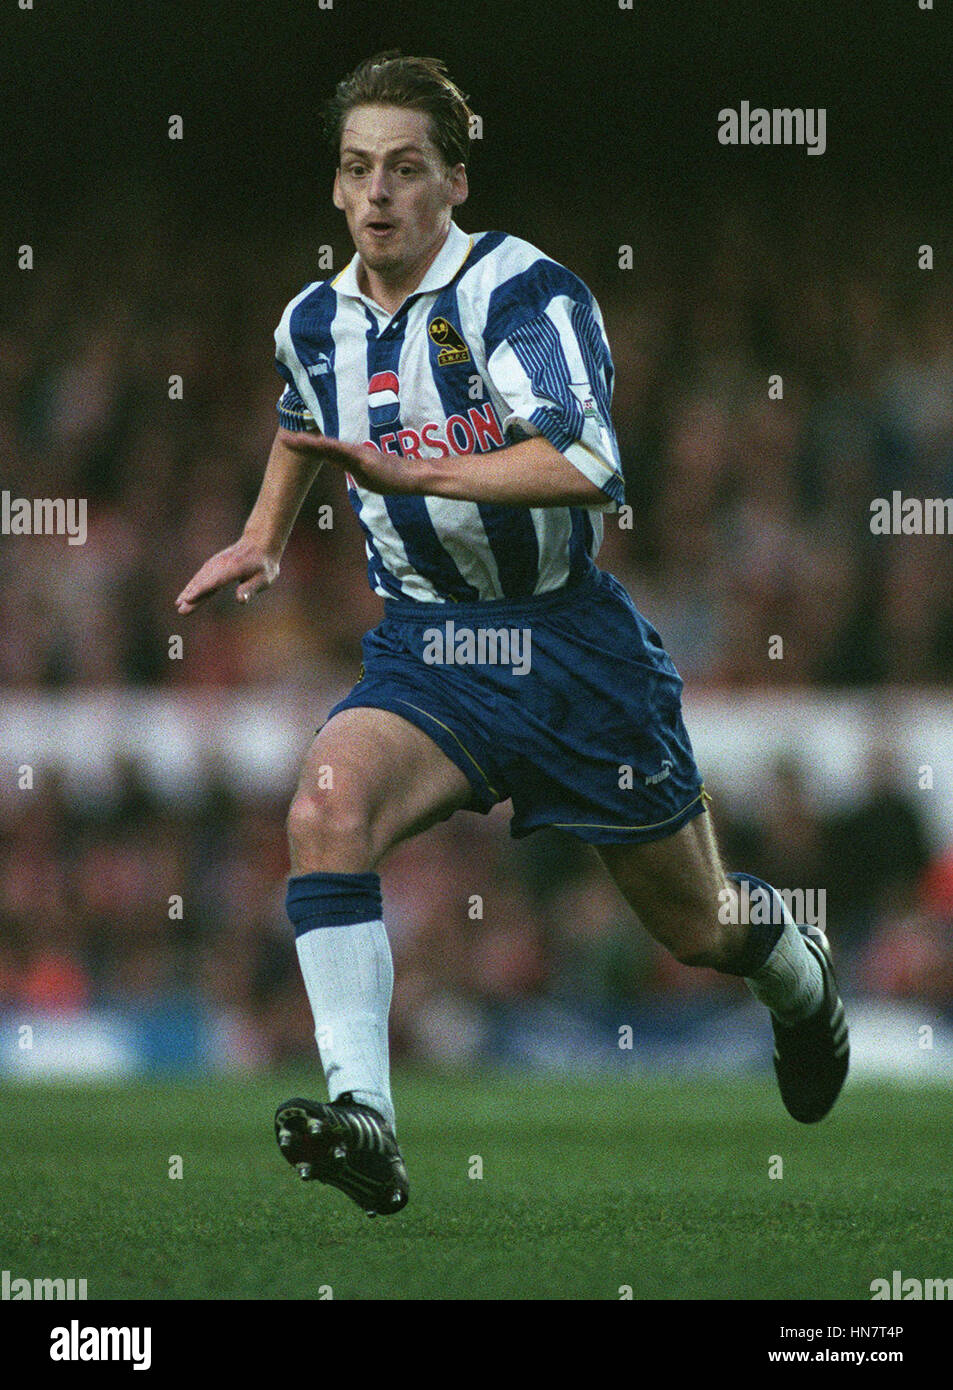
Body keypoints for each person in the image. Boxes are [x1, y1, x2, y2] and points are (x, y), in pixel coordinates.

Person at [175, 52, 849, 1218]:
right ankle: (367, 1120)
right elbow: (302, 422)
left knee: (698, 927)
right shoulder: (312, 320)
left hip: (572, 650)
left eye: (403, 168)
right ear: (336, 190)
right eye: (354, 170)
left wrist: (415, 463)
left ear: (454, 184)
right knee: (325, 804)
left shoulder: (521, 290)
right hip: (431, 649)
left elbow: (589, 464)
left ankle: (797, 979)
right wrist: (262, 537)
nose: (376, 193)